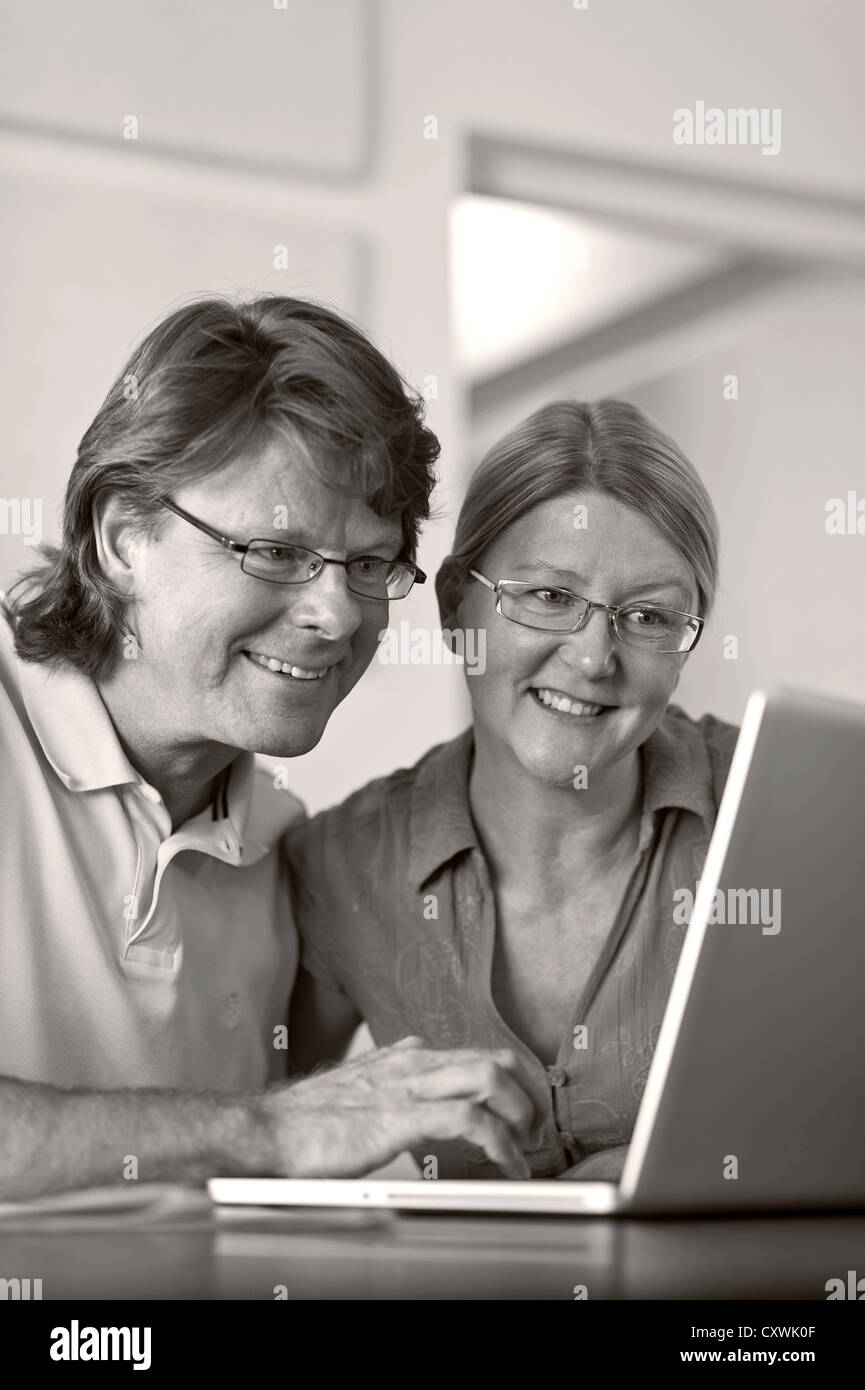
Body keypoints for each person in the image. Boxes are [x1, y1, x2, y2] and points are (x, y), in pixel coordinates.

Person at [0, 294, 534, 1200]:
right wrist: (267, 1130)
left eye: (369, 564)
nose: (335, 616)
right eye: (275, 552)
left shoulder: (284, 848)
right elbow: (279, 1136)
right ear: (126, 537)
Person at [285, 398, 739, 1181]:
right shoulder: (340, 863)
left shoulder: (788, 807)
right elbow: (264, 1142)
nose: (594, 658)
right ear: (453, 604)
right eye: (547, 597)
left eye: (648, 616)